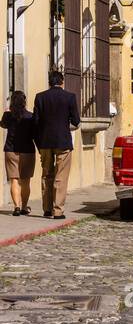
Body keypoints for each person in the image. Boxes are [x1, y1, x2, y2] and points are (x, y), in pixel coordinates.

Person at [33, 70, 80, 220]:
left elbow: (36, 122)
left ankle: (46, 209)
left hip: (45, 142)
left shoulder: (40, 97)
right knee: (61, 176)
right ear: (62, 82)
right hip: (63, 142)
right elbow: (76, 121)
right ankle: (57, 210)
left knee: (47, 175)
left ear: (49, 82)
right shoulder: (69, 97)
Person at [2, 90, 37, 216]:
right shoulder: (31, 116)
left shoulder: (8, 115)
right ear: (24, 102)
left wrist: (7, 111)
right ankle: (24, 207)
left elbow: (3, 125)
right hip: (27, 150)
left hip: (11, 151)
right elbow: (34, 133)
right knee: (26, 180)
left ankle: (16, 207)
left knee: (14, 180)